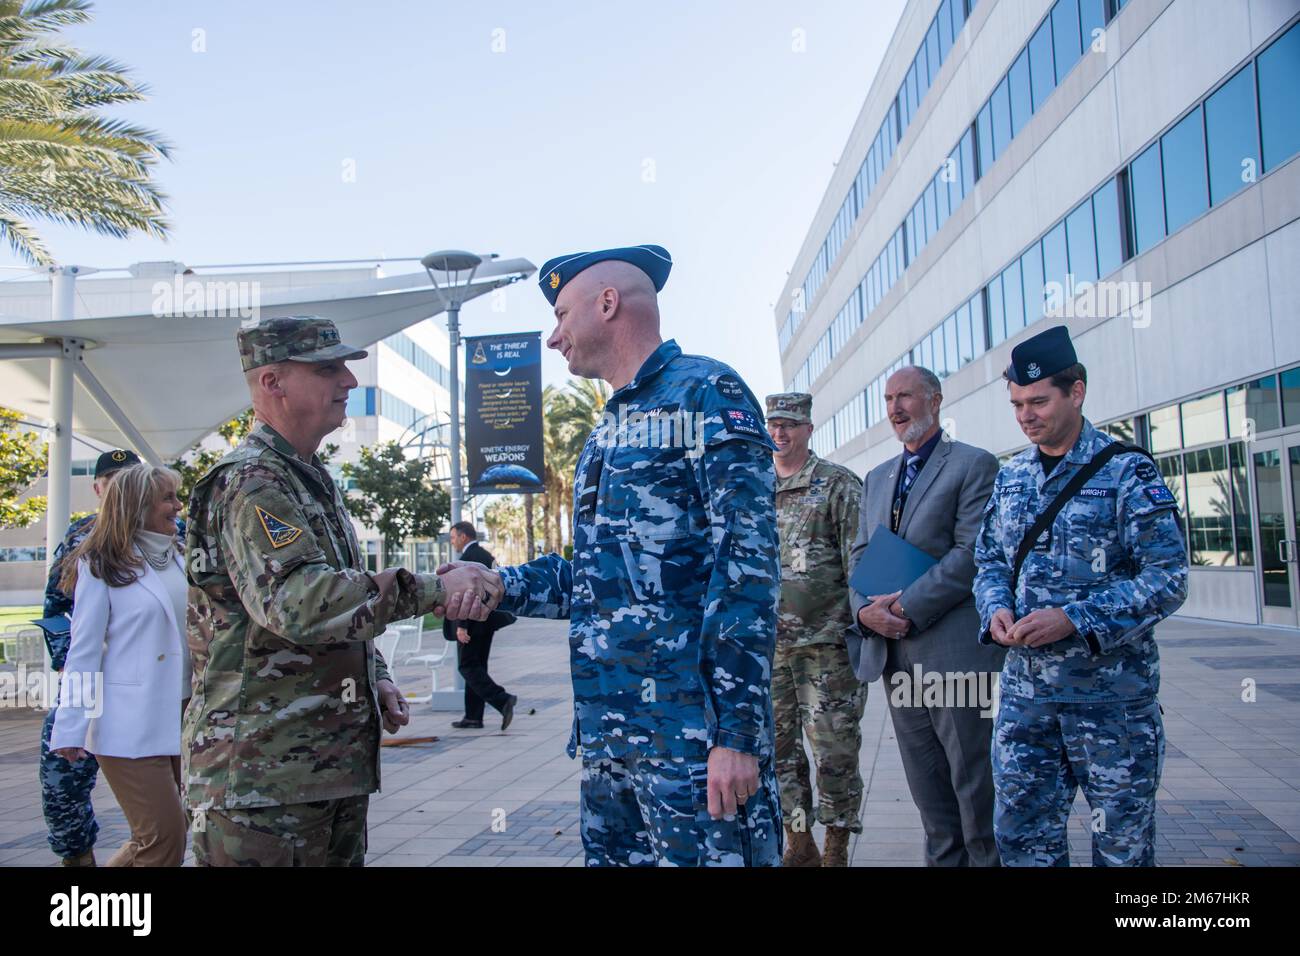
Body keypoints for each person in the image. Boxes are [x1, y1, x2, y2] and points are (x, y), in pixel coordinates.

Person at [442, 245, 783, 866]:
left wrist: (736, 735)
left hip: (692, 742)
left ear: (608, 304)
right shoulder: (606, 428)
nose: (553, 338)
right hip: (610, 741)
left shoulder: (706, 393)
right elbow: (596, 574)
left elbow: (748, 570)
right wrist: (498, 584)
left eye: (562, 314)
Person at [184, 315, 500, 866]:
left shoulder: (309, 479)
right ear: (272, 383)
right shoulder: (252, 480)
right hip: (262, 781)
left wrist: (373, 673)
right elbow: (298, 602)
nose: (349, 382)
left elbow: (339, 603)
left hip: (319, 770)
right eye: (327, 369)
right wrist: (432, 588)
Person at [973, 325, 1188, 866]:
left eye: (1039, 400)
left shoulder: (1126, 472)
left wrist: (1074, 617)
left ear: (1077, 391)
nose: (1026, 415)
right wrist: (995, 607)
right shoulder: (1012, 476)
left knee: (1122, 850)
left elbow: (1167, 577)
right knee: (1023, 841)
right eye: (1018, 403)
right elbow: (989, 560)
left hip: (1111, 706)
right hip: (1027, 703)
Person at [848, 366, 1005, 866]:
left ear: (935, 400)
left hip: (953, 654)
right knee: (929, 793)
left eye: (906, 397)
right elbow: (856, 559)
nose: (895, 408)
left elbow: (971, 554)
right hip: (895, 659)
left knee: (974, 787)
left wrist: (905, 607)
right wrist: (864, 614)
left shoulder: (973, 465)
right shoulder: (876, 479)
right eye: (889, 398)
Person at [49, 463, 190, 866]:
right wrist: (70, 727)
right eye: (168, 498)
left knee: (166, 833)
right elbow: (83, 651)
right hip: (130, 724)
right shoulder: (99, 564)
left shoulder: (179, 557)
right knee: (163, 838)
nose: (178, 506)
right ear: (138, 505)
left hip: (183, 716)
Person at [764, 391, 864, 867]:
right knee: (781, 754)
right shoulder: (756, 488)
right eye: (774, 424)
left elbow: (860, 564)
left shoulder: (837, 485)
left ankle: (836, 848)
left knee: (834, 753)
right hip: (771, 651)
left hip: (826, 647)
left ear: (808, 428)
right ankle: (798, 843)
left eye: (790, 425)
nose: (780, 433)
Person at [39, 448, 144, 867]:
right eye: (112, 480)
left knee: (166, 796)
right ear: (97, 487)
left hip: (147, 683)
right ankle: (77, 861)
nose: (120, 488)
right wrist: (68, 664)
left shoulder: (172, 532)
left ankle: (148, 850)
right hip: (90, 682)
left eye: (129, 479)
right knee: (60, 781)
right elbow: (55, 610)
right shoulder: (80, 535)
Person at [444, 521, 517, 730]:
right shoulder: (486, 556)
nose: (453, 542)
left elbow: (467, 593)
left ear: (464, 537)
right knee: (478, 666)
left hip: (472, 624)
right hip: (488, 622)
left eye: (453, 538)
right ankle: (473, 716)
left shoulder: (467, 559)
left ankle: (502, 700)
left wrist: (461, 626)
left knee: (467, 666)